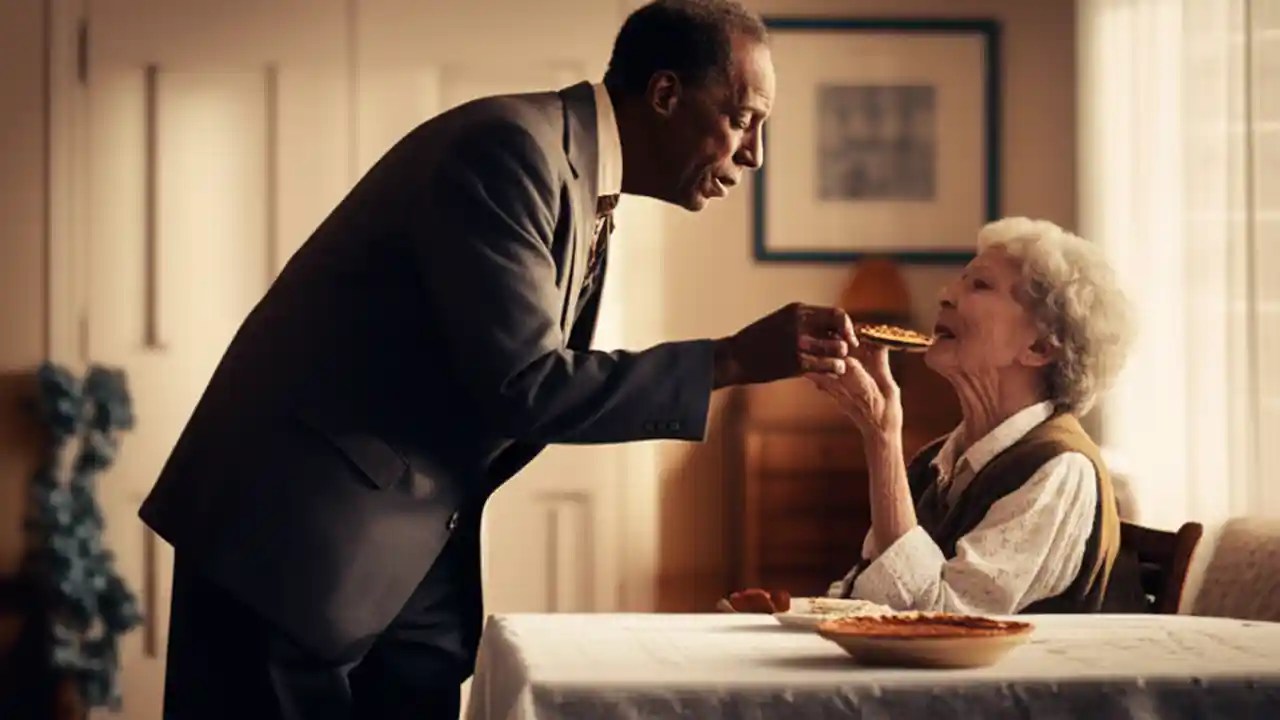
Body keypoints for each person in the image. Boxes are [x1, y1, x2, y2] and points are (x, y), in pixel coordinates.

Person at [138, 2, 857, 718]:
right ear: (666, 94)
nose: (754, 153)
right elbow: (521, 383)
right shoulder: (508, 149)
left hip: (397, 564)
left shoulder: (564, 168)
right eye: (743, 119)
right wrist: (728, 360)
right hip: (288, 547)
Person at [809, 217, 1137, 615]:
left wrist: (881, 437)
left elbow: (940, 623)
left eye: (979, 285)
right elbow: (868, 596)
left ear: (1038, 347)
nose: (945, 295)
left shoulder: (1061, 469)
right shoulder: (936, 464)